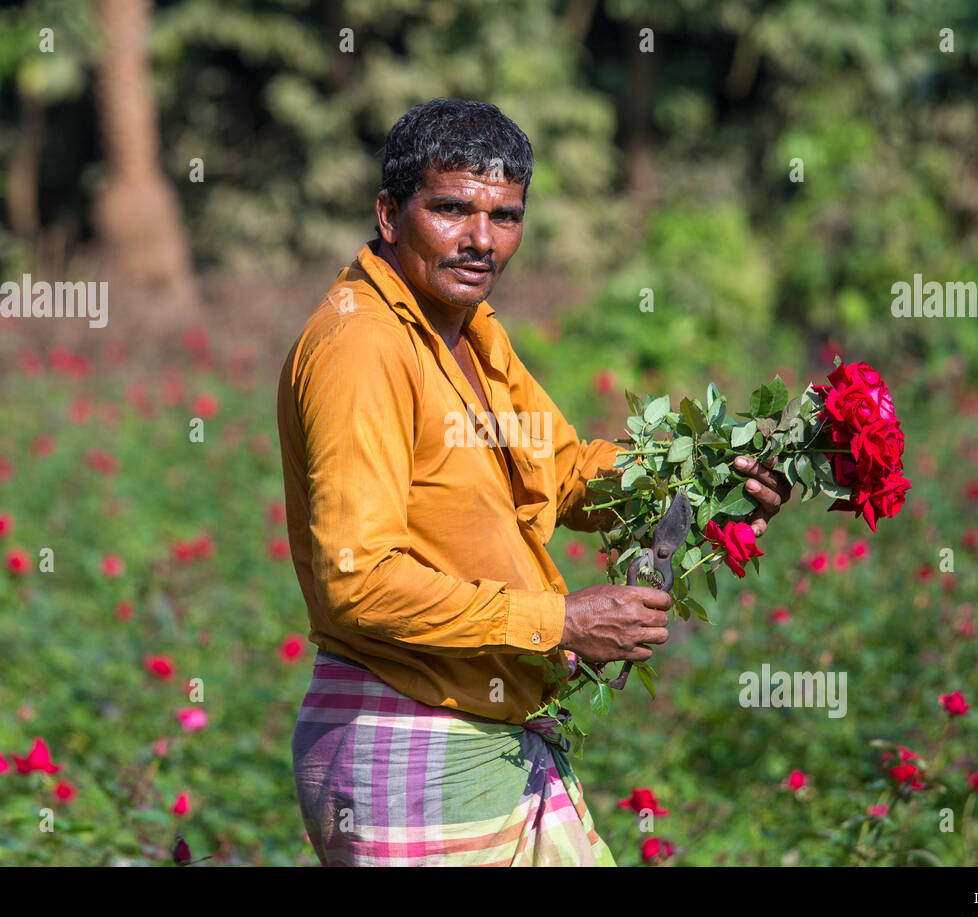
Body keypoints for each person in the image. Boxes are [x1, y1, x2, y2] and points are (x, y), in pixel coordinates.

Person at [276, 98, 790, 865]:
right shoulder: (364, 348)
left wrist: (713, 476)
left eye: (504, 216)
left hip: (490, 737)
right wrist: (559, 622)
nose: (480, 240)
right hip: (409, 739)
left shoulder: (471, 334)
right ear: (389, 213)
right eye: (451, 209)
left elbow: (567, 472)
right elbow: (361, 582)